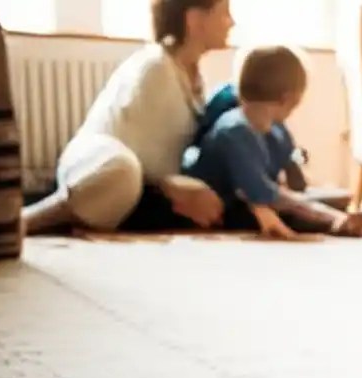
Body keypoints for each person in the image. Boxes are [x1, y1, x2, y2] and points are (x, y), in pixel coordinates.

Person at [22, 0, 235, 235]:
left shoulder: (193, 75)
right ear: (194, 19)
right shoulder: (156, 67)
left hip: (145, 185)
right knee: (124, 172)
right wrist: (171, 186)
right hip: (98, 169)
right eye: (224, 13)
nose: (232, 23)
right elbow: (139, 155)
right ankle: (27, 220)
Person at [182, 46, 362, 238]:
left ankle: (332, 218)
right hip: (232, 206)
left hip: (259, 195)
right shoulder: (235, 130)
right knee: (290, 212)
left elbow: (293, 180)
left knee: (336, 199)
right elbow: (260, 193)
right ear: (290, 98)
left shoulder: (276, 130)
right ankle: (335, 221)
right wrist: (330, 216)